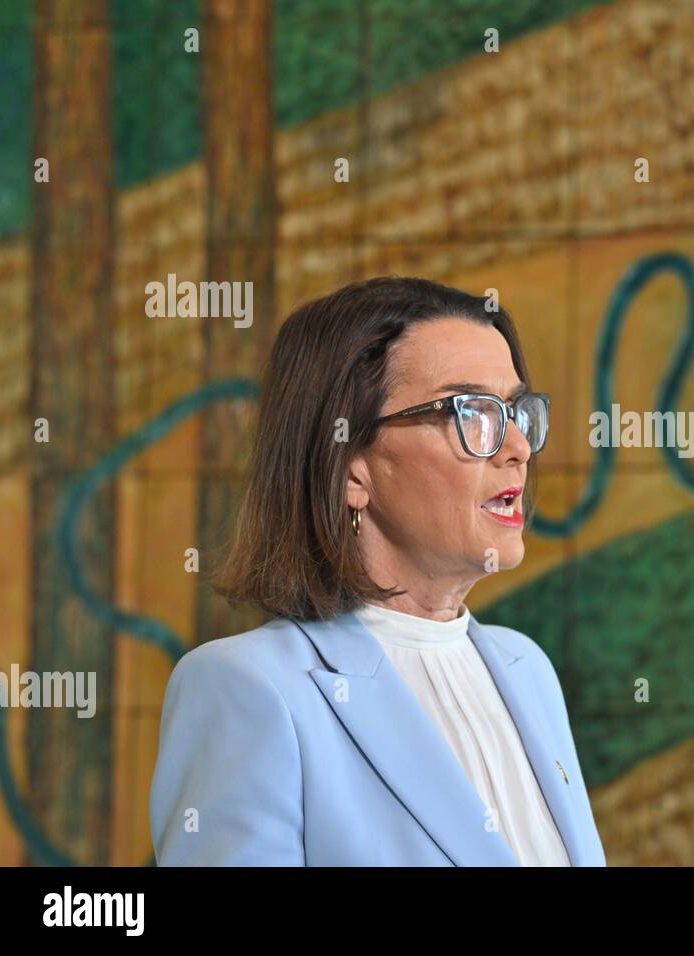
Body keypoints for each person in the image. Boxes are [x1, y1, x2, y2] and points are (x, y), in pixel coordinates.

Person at [148, 276, 606, 866]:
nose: (517, 444)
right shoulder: (250, 688)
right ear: (351, 469)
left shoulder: (528, 670)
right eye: (471, 411)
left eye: (515, 410)